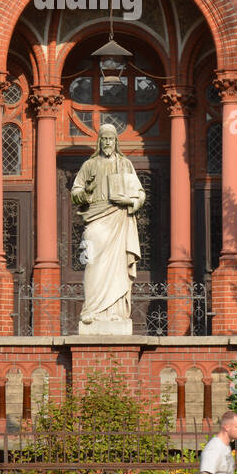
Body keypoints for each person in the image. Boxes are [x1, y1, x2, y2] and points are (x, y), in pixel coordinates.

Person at [71, 123, 145, 328]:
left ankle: (116, 312)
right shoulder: (89, 165)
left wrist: (129, 202)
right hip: (96, 218)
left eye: (111, 139)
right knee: (93, 263)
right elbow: (75, 194)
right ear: (99, 141)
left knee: (118, 266)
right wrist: (86, 190)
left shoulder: (125, 164)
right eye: (104, 139)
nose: (107, 143)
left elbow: (140, 194)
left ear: (116, 141)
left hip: (119, 218)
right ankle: (91, 310)